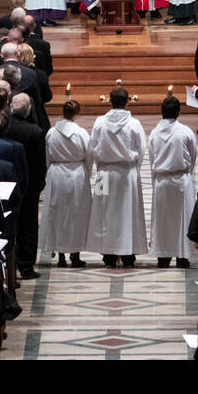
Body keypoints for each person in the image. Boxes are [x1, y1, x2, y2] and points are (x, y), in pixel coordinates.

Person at [85, 87, 148, 267]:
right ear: (127, 101)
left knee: (103, 212)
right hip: (127, 173)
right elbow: (141, 149)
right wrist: (134, 165)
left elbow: (93, 147)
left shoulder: (99, 122)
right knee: (129, 212)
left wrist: (102, 161)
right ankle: (128, 254)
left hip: (103, 173)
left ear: (110, 101)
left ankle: (108, 254)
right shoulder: (134, 123)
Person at [148, 95, 198, 268]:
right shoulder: (185, 132)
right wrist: (185, 172)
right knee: (182, 219)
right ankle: (182, 256)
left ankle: (163, 256)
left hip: (161, 179)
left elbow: (151, 156)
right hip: (181, 179)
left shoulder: (154, 133)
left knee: (162, 219)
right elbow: (192, 157)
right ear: (178, 112)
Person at [41, 99, 92, 268]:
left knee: (57, 212)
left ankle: (61, 256)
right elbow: (89, 156)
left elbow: (47, 156)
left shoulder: (52, 132)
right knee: (76, 214)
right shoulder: (81, 133)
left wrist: (52, 170)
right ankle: (74, 255)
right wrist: (87, 173)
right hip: (76, 174)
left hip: (57, 173)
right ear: (77, 114)